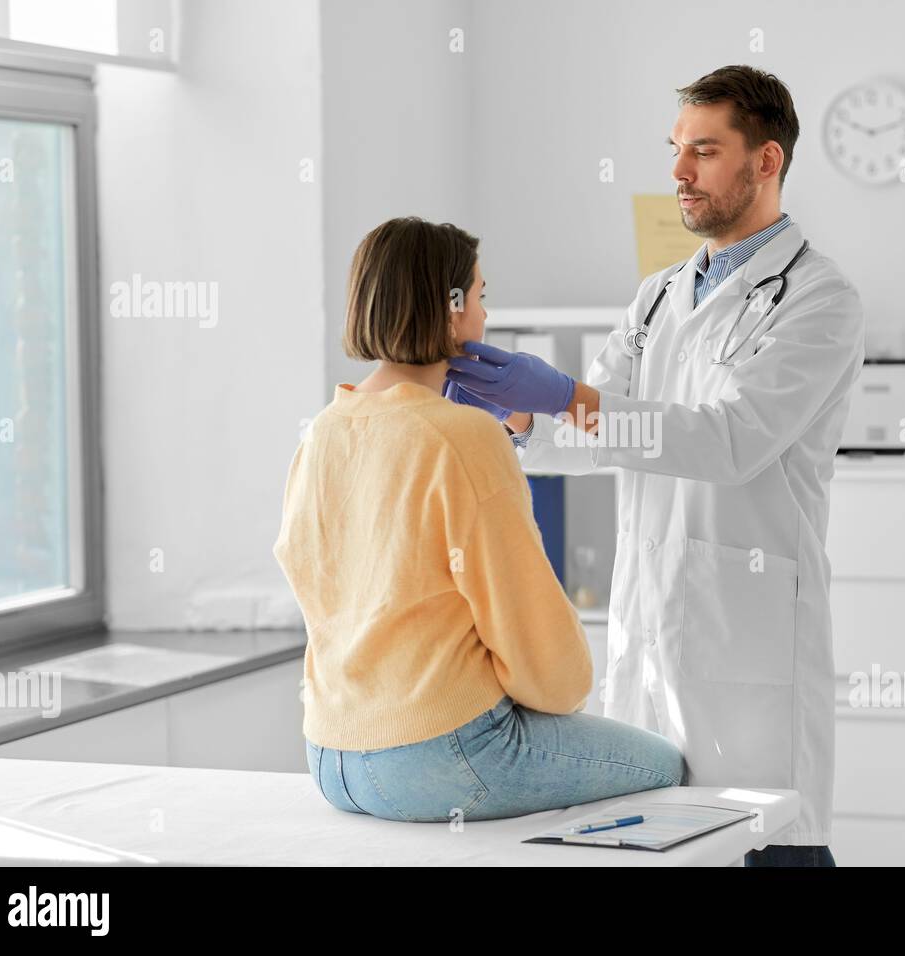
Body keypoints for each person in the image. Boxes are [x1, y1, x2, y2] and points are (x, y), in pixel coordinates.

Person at [445, 65, 865, 866]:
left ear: (766, 161)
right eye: (676, 149)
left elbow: (732, 440)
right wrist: (526, 411)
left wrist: (571, 397)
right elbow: (603, 430)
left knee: (765, 847)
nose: (678, 172)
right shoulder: (658, 296)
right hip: (651, 632)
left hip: (749, 639)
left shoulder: (819, 298)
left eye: (703, 151)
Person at [273, 216, 686, 824]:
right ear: (451, 309)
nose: (486, 315)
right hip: (443, 757)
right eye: (482, 296)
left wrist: (518, 422)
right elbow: (552, 671)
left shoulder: (323, 432)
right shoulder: (462, 435)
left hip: (330, 756)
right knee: (668, 769)